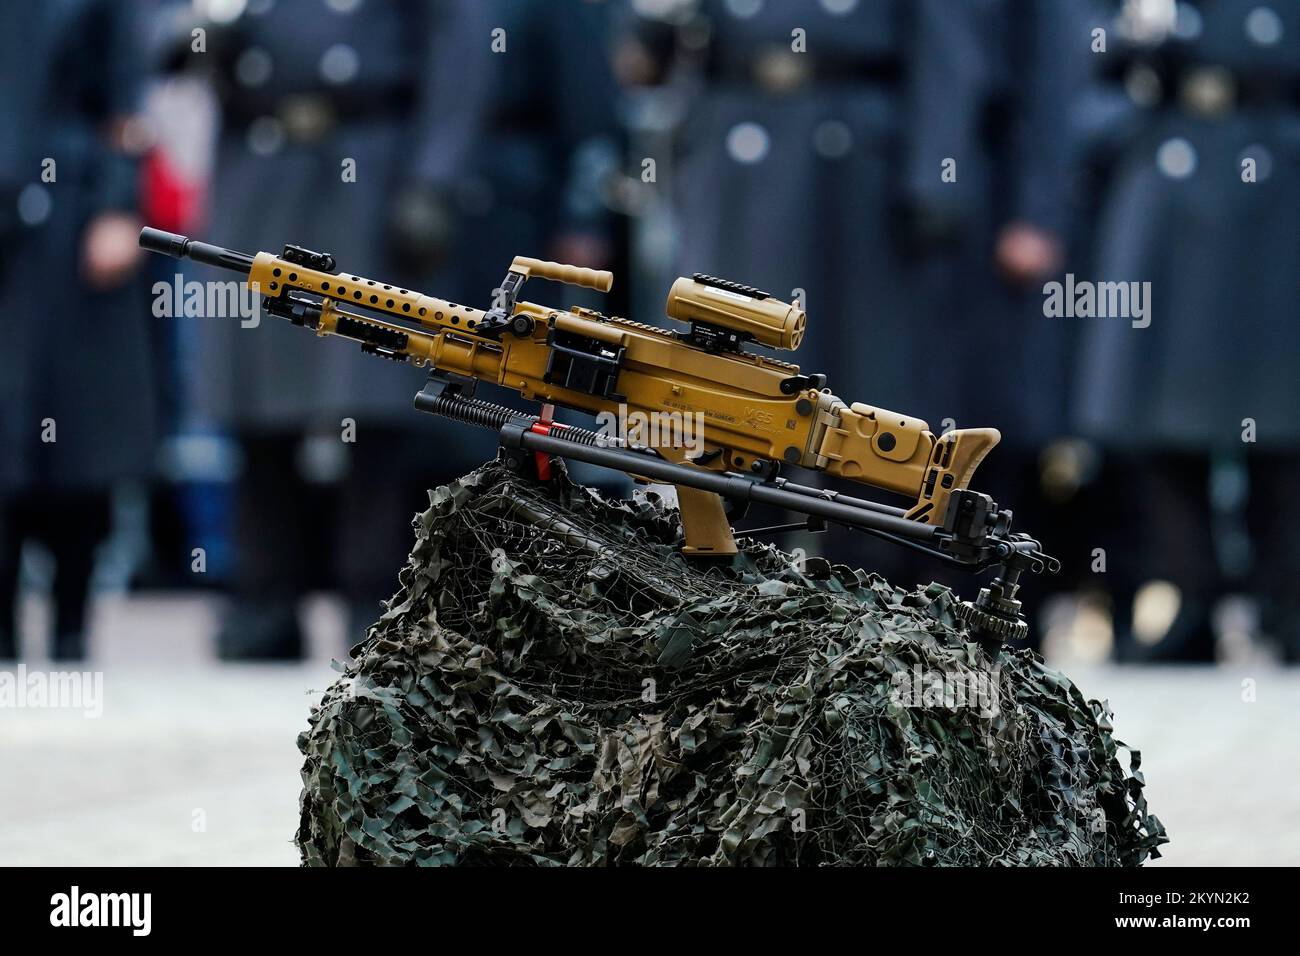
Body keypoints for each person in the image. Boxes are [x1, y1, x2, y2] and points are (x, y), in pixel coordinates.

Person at [179, 0, 498, 658]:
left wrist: (433, 179)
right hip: (262, 166)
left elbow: (459, 55)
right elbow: (168, 39)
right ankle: (265, 600)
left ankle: (373, 601)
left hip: (368, 169)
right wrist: (206, 26)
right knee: (256, 406)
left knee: (371, 404)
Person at [1073, 0, 1300, 660]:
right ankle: (1189, 594)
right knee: (1156, 403)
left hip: (1279, 183)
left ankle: (1284, 597)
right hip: (1167, 178)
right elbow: (1085, 76)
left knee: (1281, 402)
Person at [0, 0, 156, 661]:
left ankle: (70, 622)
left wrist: (120, 204)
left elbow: (125, 105)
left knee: (76, 428)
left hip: (71, 213)